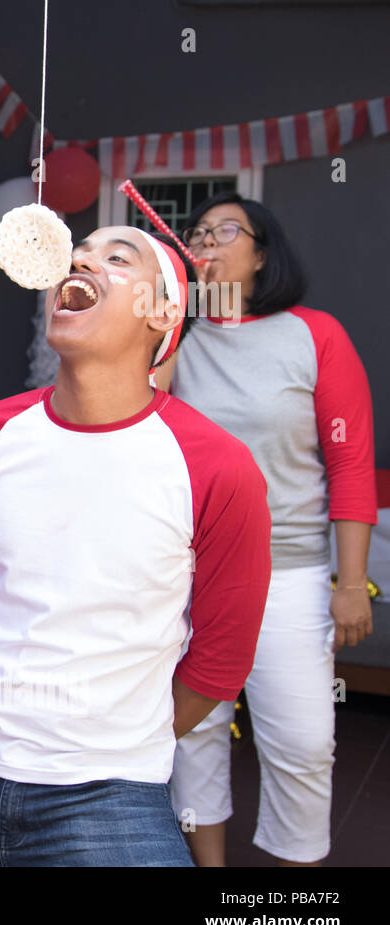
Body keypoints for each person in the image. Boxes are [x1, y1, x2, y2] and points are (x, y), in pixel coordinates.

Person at [0, 224, 272, 866]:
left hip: (109, 793)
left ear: (164, 313)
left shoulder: (218, 468)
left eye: (117, 258)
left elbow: (221, 662)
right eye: (76, 256)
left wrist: (107, 734)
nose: (82, 263)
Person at [165, 193, 377, 867]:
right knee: (192, 735)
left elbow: (349, 461)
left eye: (227, 230)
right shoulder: (174, 335)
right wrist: (172, 320)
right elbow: (146, 424)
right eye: (198, 232)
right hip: (193, 572)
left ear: (261, 253)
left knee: (305, 742)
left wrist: (351, 583)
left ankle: (292, 882)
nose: (209, 239)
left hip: (290, 571)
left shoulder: (315, 335)